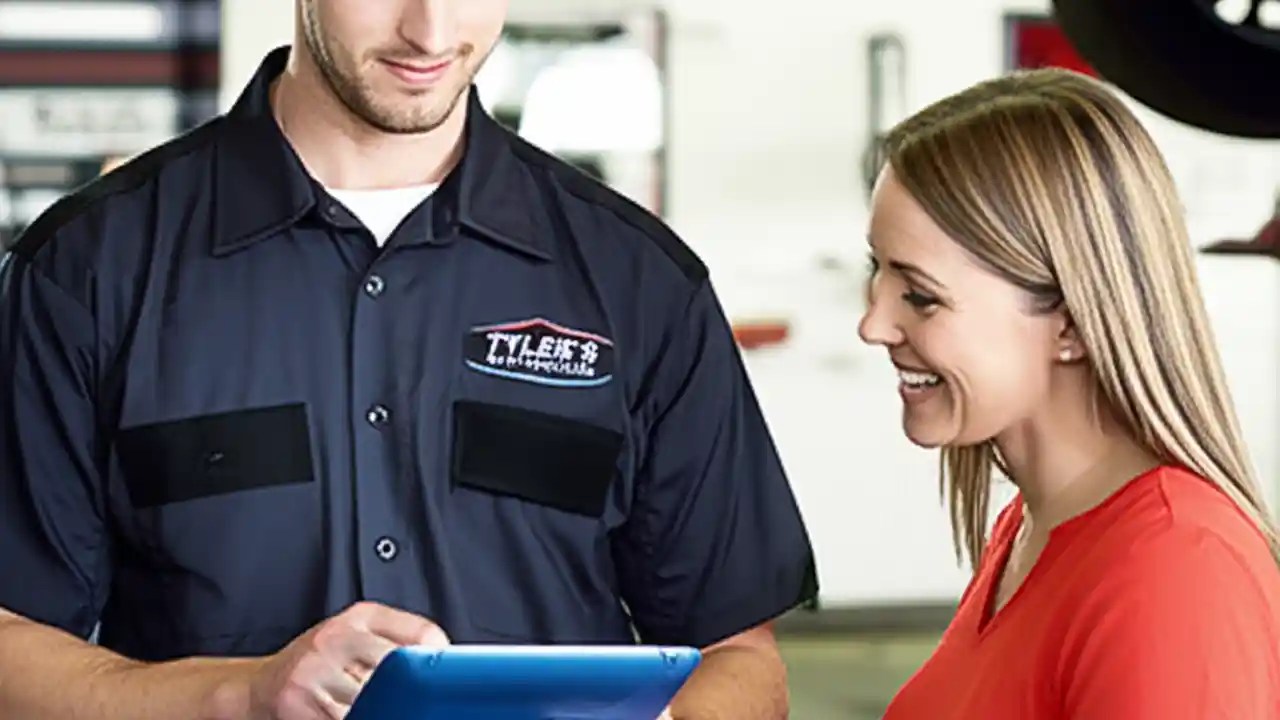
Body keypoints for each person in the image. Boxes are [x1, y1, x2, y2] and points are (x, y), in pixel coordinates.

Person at [0, 1, 817, 718]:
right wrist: (240, 697)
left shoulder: (639, 282)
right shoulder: (86, 272)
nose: (430, 30)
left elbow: (739, 659)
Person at [859, 68, 1280, 718]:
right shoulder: (1030, 528)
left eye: (920, 295)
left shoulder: (1173, 571)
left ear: (1071, 325)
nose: (873, 324)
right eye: (878, 271)